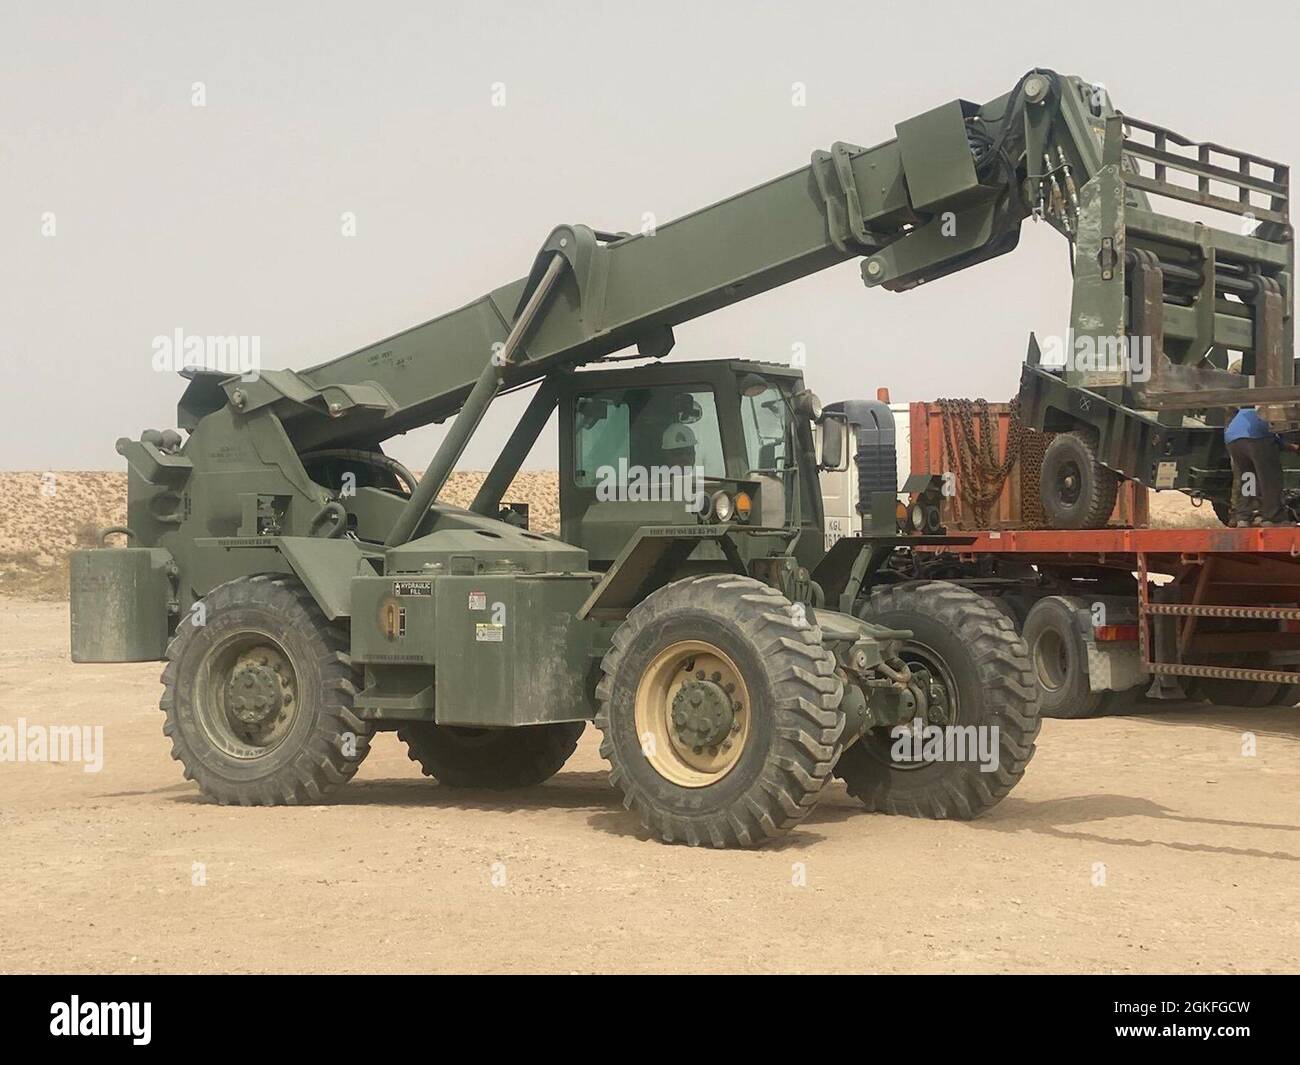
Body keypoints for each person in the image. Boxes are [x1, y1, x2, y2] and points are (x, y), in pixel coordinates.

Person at [1224, 406, 1299, 526]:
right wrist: (1292, 447)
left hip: (1233, 439)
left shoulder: (1249, 409)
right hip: (1257, 437)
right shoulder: (1276, 409)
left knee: (1248, 478)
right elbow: (1275, 435)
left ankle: (1243, 517)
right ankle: (1274, 518)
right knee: (1270, 479)